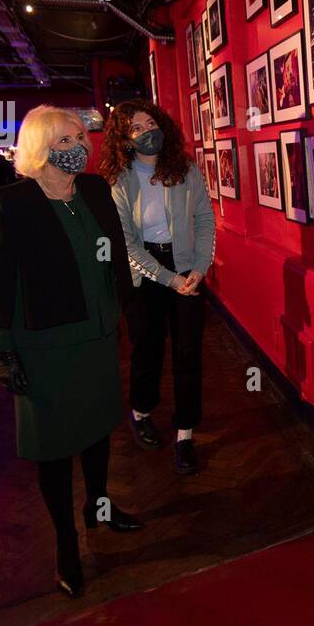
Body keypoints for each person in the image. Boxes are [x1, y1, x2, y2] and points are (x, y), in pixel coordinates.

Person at [0, 106, 143, 599]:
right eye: (69, 139)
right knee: (54, 447)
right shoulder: (8, 203)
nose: (83, 146)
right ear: (43, 149)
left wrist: (124, 309)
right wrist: (3, 353)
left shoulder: (91, 190)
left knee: (96, 429)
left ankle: (100, 508)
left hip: (97, 336)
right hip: (43, 346)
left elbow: (113, 256)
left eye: (82, 137)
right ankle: (66, 544)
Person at [101, 99, 216, 474]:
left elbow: (204, 220)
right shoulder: (119, 180)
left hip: (187, 266)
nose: (147, 131)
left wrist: (199, 268)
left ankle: (185, 432)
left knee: (188, 353)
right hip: (144, 273)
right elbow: (126, 243)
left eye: (150, 122)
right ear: (125, 139)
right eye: (135, 128)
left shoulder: (185, 170)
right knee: (146, 348)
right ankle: (142, 410)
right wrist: (169, 280)